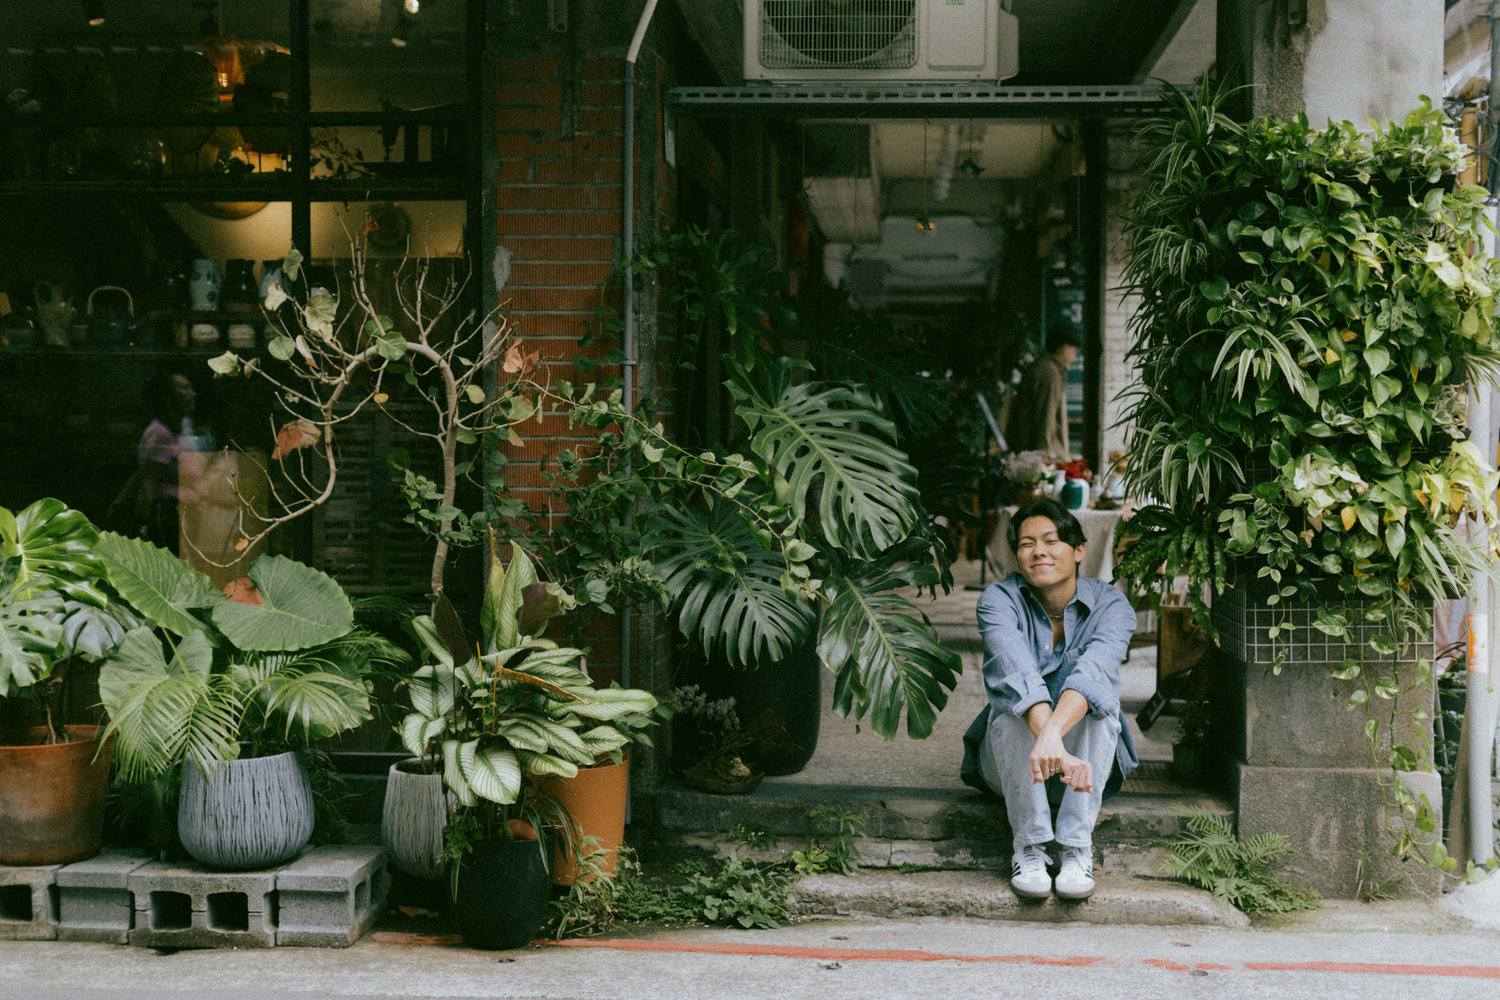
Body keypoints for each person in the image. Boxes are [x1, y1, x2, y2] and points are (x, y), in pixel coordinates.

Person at [960, 497, 1137, 900]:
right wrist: (1050, 738)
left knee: (1102, 711)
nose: (1038, 551)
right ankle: (1030, 845)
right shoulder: (997, 601)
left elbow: (1094, 673)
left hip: (1084, 771)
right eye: (1025, 544)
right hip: (1013, 770)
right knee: (1010, 712)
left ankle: (1076, 847)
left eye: (1050, 540)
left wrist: (1053, 736)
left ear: (1079, 551)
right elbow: (1015, 671)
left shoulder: (1112, 606)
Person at [1005, 322, 1081, 457]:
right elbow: (1046, 420)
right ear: (1064, 347)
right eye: (1074, 349)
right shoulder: (1050, 373)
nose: (1075, 355)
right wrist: (1042, 461)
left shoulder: (1045, 367)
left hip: (1028, 452)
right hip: (1037, 455)